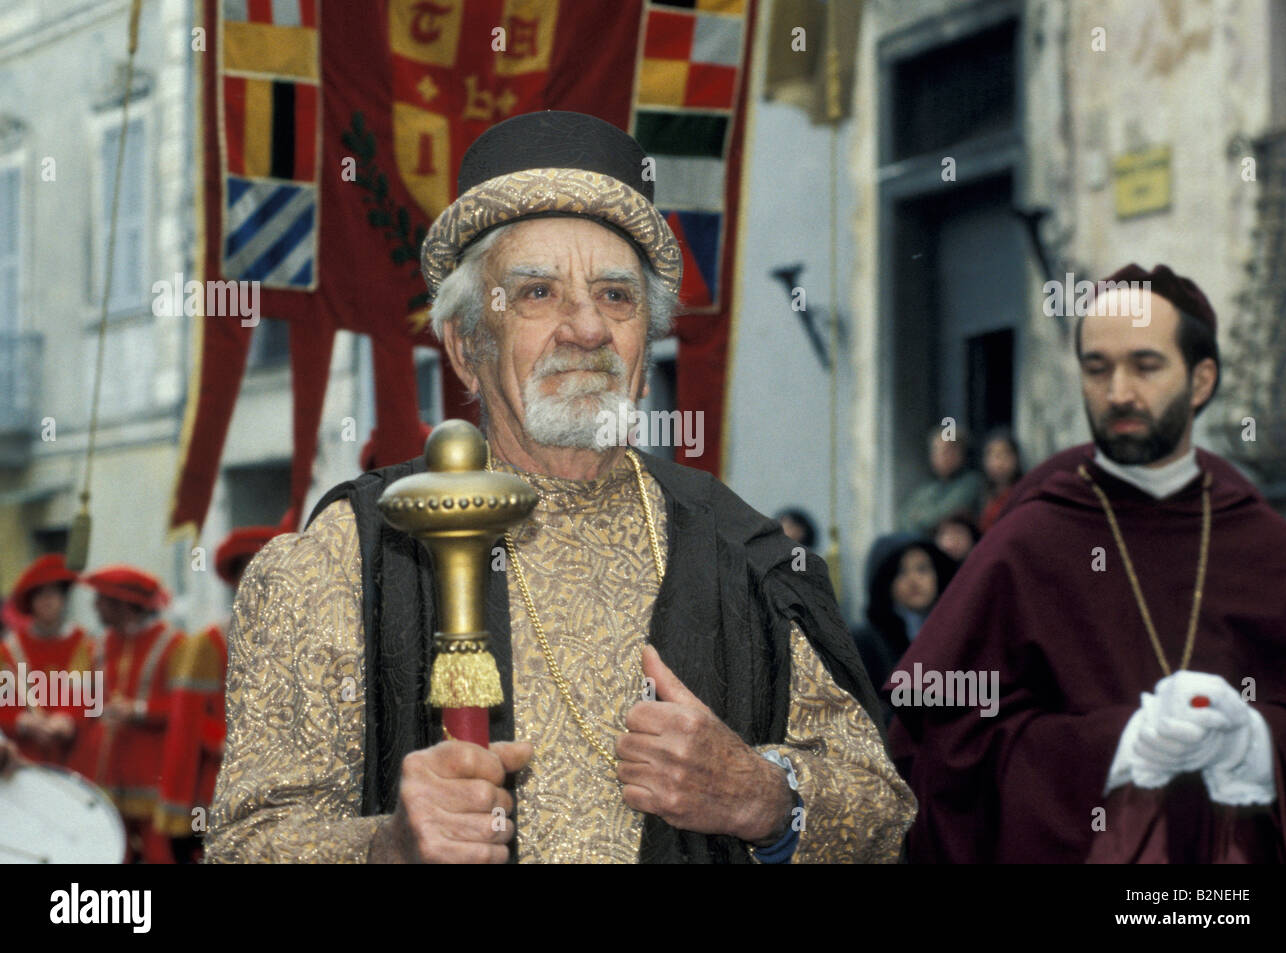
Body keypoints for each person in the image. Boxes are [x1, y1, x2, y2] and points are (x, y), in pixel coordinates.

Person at [207, 110, 915, 864]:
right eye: (537, 293)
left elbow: (884, 815)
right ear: (465, 343)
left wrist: (762, 795)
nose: (586, 328)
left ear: (649, 340)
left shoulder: (749, 557)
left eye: (616, 296)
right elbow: (243, 846)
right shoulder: (340, 563)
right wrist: (388, 846)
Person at [889, 264, 1286, 862]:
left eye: (1146, 365)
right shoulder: (1029, 540)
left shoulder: (1266, 546)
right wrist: (1121, 747)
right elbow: (939, 745)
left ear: (1202, 379)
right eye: (1097, 368)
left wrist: (1258, 743)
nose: (1118, 393)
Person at [156, 526, 282, 861]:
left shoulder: (298, 640)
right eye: (249, 573)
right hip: (219, 781)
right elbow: (192, 719)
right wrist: (232, 743)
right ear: (237, 580)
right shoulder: (210, 642)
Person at [74, 565, 186, 864]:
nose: (95, 606)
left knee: (158, 856)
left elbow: (185, 710)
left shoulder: (174, 644)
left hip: (154, 779)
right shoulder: (96, 646)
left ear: (123, 604)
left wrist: (137, 710)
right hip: (107, 775)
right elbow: (79, 703)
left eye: (102, 600)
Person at [0, 555, 91, 765]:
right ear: (30, 603)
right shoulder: (9, 651)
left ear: (64, 599)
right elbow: (3, 704)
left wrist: (67, 719)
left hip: (74, 758)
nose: (47, 601)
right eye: (40, 595)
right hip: (24, 760)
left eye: (54, 593)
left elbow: (88, 697)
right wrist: (23, 723)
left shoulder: (86, 646)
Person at [855, 535, 957, 718]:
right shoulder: (865, 642)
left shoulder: (955, 633)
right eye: (901, 572)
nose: (914, 580)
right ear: (885, 580)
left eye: (922, 569)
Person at [896, 426, 982, 535]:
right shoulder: (929, 487)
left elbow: (937, 516)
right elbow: (903, 517)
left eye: (946, 451)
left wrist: (920, 517)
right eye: (936, 451)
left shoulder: (971, 483)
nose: (940, 457)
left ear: (960, 454)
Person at [977, 428, 1022, 532]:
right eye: (993, 456)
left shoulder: (1023, 492)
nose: (998, 463)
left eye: (1004, 455)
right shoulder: (980, 493)